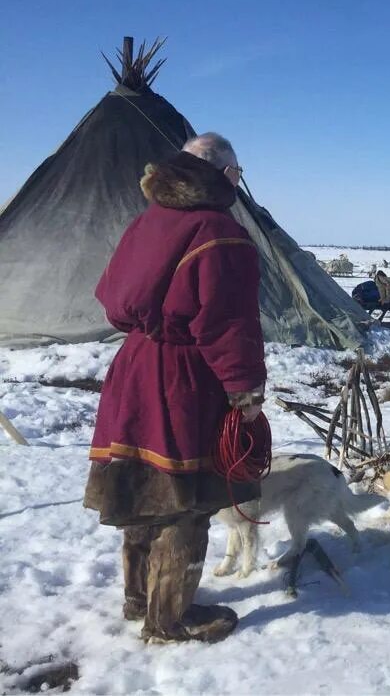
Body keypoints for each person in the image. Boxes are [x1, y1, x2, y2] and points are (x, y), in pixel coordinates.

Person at [83, 132, 267, 643]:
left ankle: (138, 597)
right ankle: (169, 620)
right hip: (184, 377)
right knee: (187, 499)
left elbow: (112, 299)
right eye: (238, 173)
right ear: (225, 173)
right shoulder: (218, 230)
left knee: (145, 488)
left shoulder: (149, 220)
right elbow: (228, 322)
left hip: (136, 366)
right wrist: (246, 390)